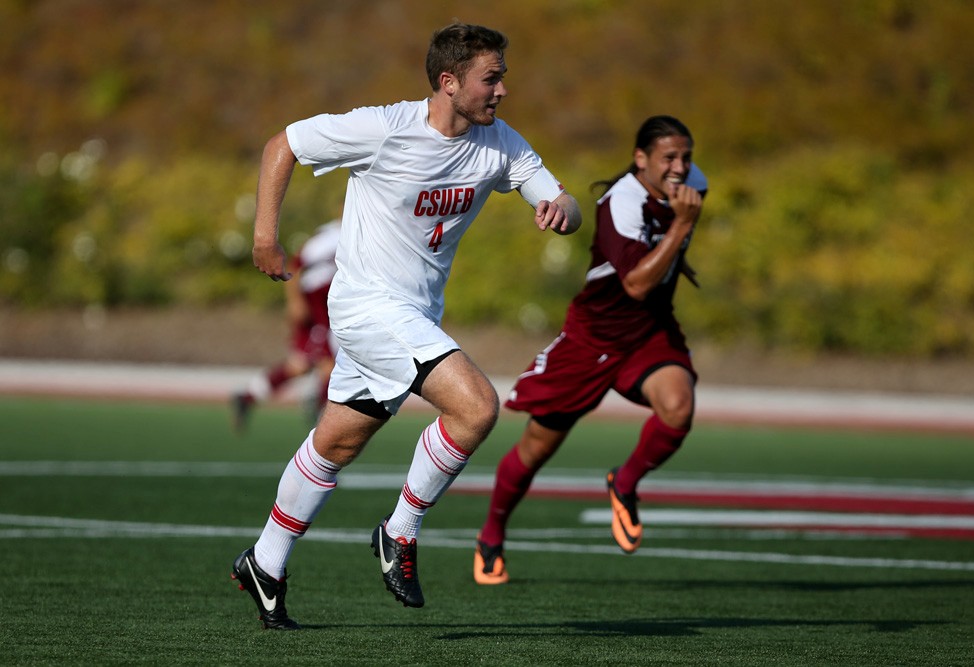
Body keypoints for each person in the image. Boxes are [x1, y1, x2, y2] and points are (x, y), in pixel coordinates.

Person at [230, 22, 582, 630]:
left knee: (335, 444)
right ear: (449, 82)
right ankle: (400, 532)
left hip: (413, 317)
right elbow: (281, 144)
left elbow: (565, 202)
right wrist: (264, 236)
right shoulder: (384, 129)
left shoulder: (501, 144)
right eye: (490, 78)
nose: (501, 90)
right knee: (475, 407)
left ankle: (265, 561)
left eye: (502, 77)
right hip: (368, 308)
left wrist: (561, 210)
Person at [472, 115, 706, 585]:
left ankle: (624, 482)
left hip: (647, 333)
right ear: (641, 160)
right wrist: (681, 226)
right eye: (668, 158)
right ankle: (492, 533)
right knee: (536, 449)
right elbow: (637, 284)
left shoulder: (693, 184)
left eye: (686, 156)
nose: (681, 167)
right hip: (593, 339)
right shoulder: (621, 202)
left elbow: (651, 290)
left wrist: (680, 222)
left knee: (678, 408)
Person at [231, 220, 342, 432]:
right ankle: (322, 420)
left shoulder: (349, 230)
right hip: (316, 304)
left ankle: (247, 397)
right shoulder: (334, 235)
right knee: (329, 361)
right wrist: (295, 301)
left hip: (325, 302)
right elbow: (296, 264)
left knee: (301, 363)